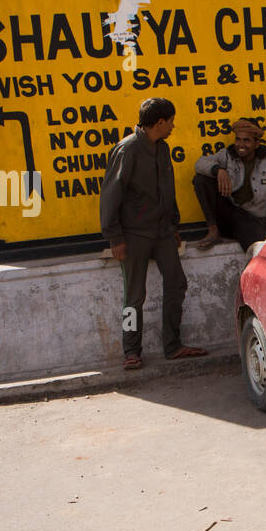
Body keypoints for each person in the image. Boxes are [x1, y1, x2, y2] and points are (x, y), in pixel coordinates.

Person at [100, 97, 208, 369]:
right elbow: (111, 195)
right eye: (170, 121)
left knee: (177, 283)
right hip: (134, 235)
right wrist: (115, 238)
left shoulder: (163, 148)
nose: (173, 126)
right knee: (133, 296)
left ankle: (173, 346)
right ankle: (131, 351)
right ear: (160, 122)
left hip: (162, 233)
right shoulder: (128, 149)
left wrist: (173, 225)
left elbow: (167, 191)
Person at [192, 118, 266, 250]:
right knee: (201, 180)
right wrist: (218, 170)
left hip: (252, 221)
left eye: (246, 140)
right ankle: (213, 231)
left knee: (262, 252)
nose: (240, 144)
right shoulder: (226, 156)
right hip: (227, 216)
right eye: (238, 139)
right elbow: (199, 163)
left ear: (256, 143)